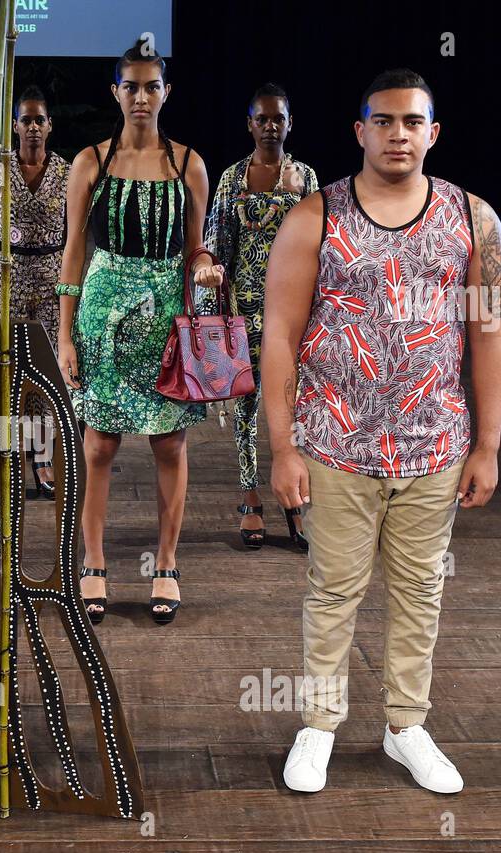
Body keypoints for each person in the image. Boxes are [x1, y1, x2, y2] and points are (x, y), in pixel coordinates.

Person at [262, 69, 501, 793]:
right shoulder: (317, 216)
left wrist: (489, 445)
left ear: (432, 133)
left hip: (435, 442)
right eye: (384, 121)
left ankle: (406, 728)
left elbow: (490, 333)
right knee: (333, 588)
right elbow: (278, 335)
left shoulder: (473, 219)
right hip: (335, 442)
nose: (398, 134)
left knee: (419, 590)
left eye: (412, 122)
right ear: (360, 131)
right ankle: (318, 725)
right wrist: (282, 447)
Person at [57, 41, 224, 625]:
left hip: (164, 320)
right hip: (101, 315)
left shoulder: (188, 164)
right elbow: (74, 250)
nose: (142, 97)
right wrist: (65, 334)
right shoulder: (90, 162)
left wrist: (203, 265)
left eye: (152, 86)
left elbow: (198, 245)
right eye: (131, 86)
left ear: (166, 93)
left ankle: (167, 564)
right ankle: (94, 562)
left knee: (169, 443)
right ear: (115, 92)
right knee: (99, 445)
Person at [202, 82, 318, 549]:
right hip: (243, 308)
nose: (271, 126)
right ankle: (250, 496)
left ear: (291, 123)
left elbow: (320, 245)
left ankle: (294, 498)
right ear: (249, 124)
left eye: (279, 118)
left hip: (293, 310)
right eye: (262, 118)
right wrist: (212, 301)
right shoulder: (231, 178)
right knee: (248, 404)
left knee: (293, 403)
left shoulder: (307, 179)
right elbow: (215, 245)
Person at [0, 84, 71, 498]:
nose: (32, 127)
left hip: (50, 278)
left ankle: (43, 457)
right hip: (9, 277)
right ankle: (6, 456)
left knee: (47, 374)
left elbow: (75, 233)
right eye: (25, 120)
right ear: (14, 126)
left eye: (39, 120)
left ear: (50, 126)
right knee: (5, 371)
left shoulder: (65, 171)